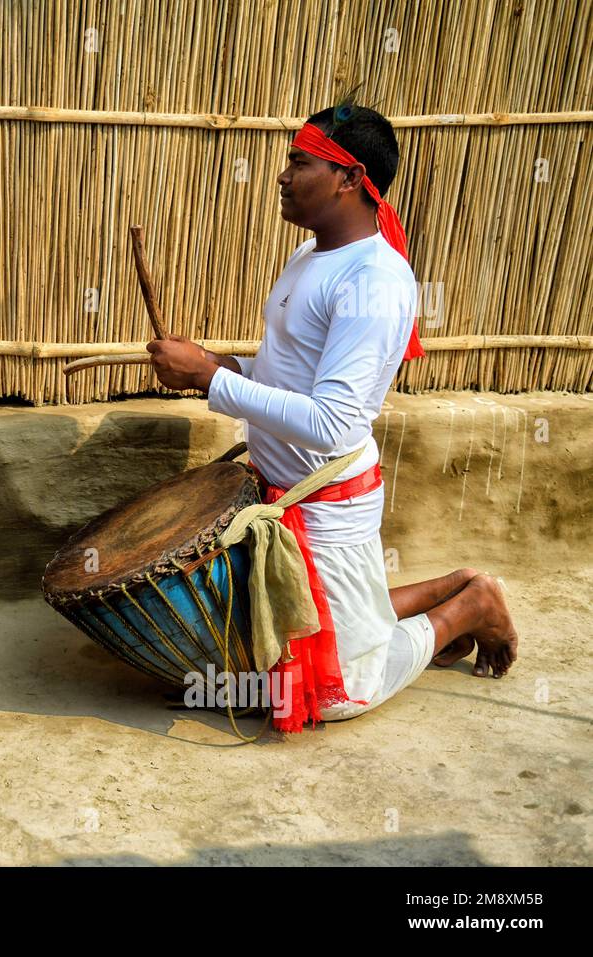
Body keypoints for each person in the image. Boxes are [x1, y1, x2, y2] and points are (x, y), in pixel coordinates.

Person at [145, 102, 519, 731]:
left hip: (326, 505)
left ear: (349, 178)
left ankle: (471, 604)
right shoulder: (310, 256)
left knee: (336, 694)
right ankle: (448, 586)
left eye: (299, 161)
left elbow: (331, 424)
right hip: (283, 494)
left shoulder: (374, 281)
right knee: (271, 654)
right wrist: (215, 361)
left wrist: (209, 378)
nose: (283, 176)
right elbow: (283, 374)